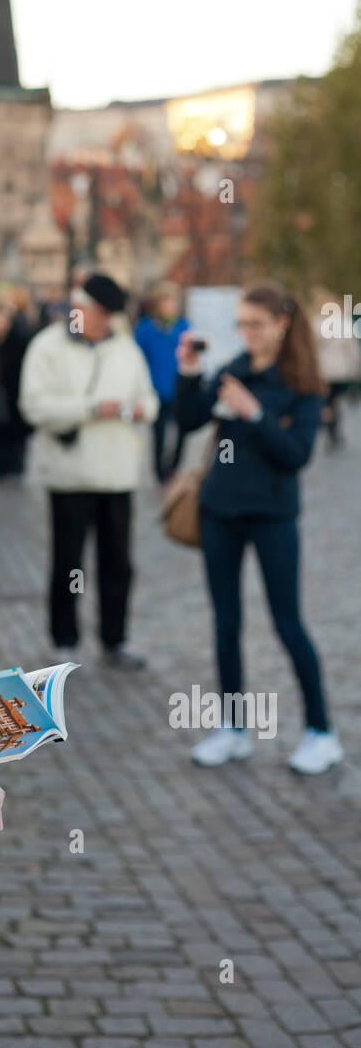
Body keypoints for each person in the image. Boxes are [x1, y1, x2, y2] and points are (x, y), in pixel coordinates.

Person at [175, 280, 342, 775]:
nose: (247, 333)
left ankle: (321, 731)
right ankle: (233, 728)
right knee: (226, 623)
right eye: (242, 324)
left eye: (257, 324)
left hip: (273, 514)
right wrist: (188, 373)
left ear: (282, 325)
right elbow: (187, 421)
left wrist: (257, 414)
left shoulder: (302, 386)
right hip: (220, 510)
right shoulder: (233, 369)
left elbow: (297, 455)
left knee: (288, 622)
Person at [18, 271, 158, 669]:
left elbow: (149, 401)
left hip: (118, 476)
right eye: (99, 313)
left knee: (118, 562)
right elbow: (33, 406)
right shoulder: (47, 347)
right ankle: (64, 640)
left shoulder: (126, 349)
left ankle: (115, 639)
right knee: (69, 562)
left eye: (109, 315)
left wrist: (129, 409)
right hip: (70, 477)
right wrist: (92, 409)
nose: (105, 321)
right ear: (81, 309)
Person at [134, 281, 190, 481]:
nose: (171, 306)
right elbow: (137, 359)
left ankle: (173, 467)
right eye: (167, 301)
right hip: (156, 390)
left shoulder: (185, 327)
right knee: (158, 435)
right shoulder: (145, 329)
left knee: (182, 433)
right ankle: (159, 474)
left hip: (180, 389)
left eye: (174, 302)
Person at [0, 296, 33, 481]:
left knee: (17, 436)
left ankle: (16, 468)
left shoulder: (20, 339)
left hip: (16, 395)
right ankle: (1, 468)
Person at [309, 285, 361, 450]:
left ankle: (330, 430)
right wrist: (356, 367)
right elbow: (352, 347)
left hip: (322, 370)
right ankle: (334, 432)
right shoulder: (342, 322)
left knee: (327, 401)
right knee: (335, 401)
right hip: (339, 370)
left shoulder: (315, 323)